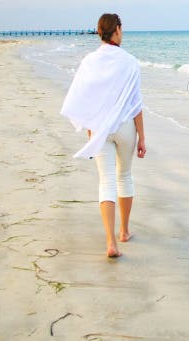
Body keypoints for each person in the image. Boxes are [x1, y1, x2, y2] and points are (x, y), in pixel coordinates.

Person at [61, 13, 146, 258]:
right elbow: (136, 103)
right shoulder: (130, 62)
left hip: (99, 127)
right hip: (125, 127)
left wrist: (90, 126)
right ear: (117, 30)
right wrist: (142, 137)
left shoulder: (89, 61)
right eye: (122, 28)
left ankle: (110, 242)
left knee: (106, 181)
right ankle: (124, 231)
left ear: (100, 32)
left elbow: (83, 96)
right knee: (125, 175)